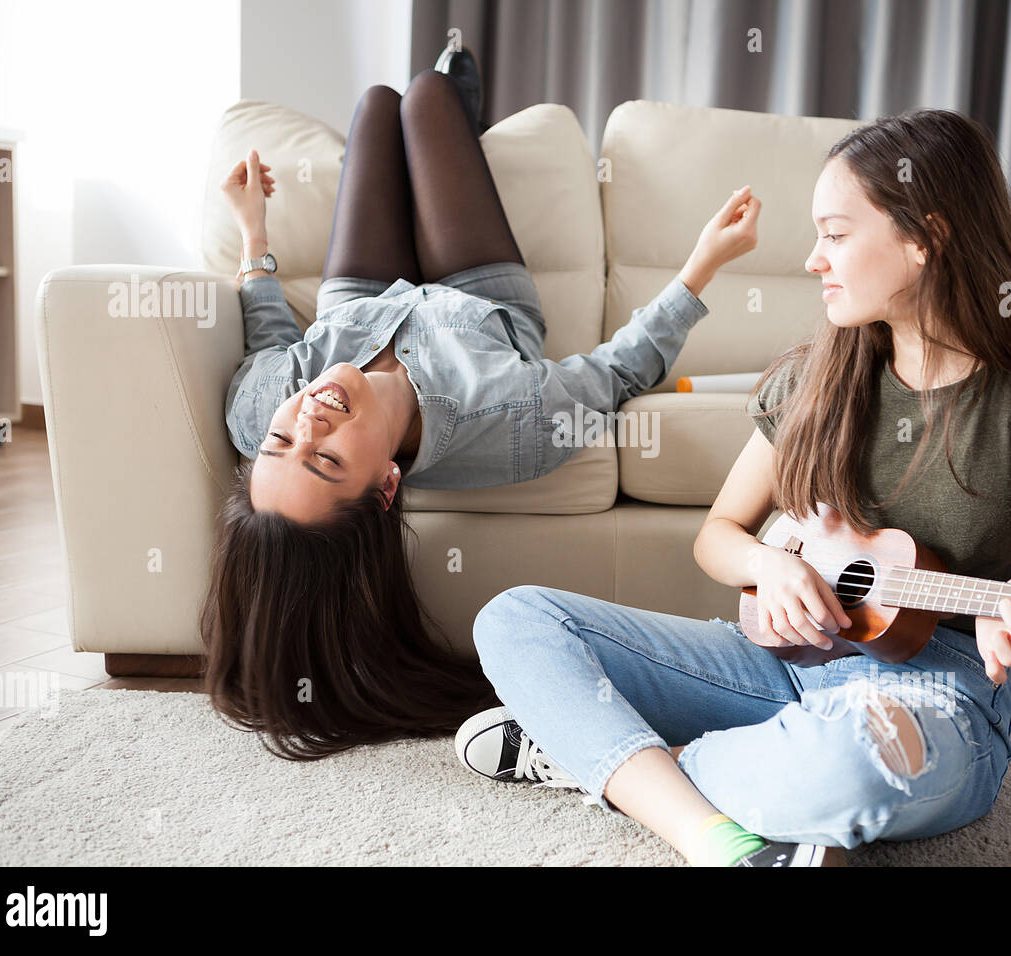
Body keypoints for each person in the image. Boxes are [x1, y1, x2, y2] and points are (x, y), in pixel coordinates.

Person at [457, 107, 1011, 866]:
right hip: (779, 667)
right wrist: (769, 565)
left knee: (852, 769)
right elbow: (720, 536)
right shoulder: (818, 377)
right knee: (516, 620)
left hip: (937, 699)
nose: (813, 260)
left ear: (925, 239)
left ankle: (627, 765)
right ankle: (714, 832)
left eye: (836, 235)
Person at [200, 64, 761, 759]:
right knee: (428, 97)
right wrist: (702, 266)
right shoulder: (516, 423)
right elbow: (615, 372)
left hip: (357, 302)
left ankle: (433, 101)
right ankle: (457, 90)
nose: (307, 419)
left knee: (376, 103)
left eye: (283, 441)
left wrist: (252, 231)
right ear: (386, 487)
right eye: (325, 458)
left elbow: (269, 337)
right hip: (478, 297)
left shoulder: (257, 411)